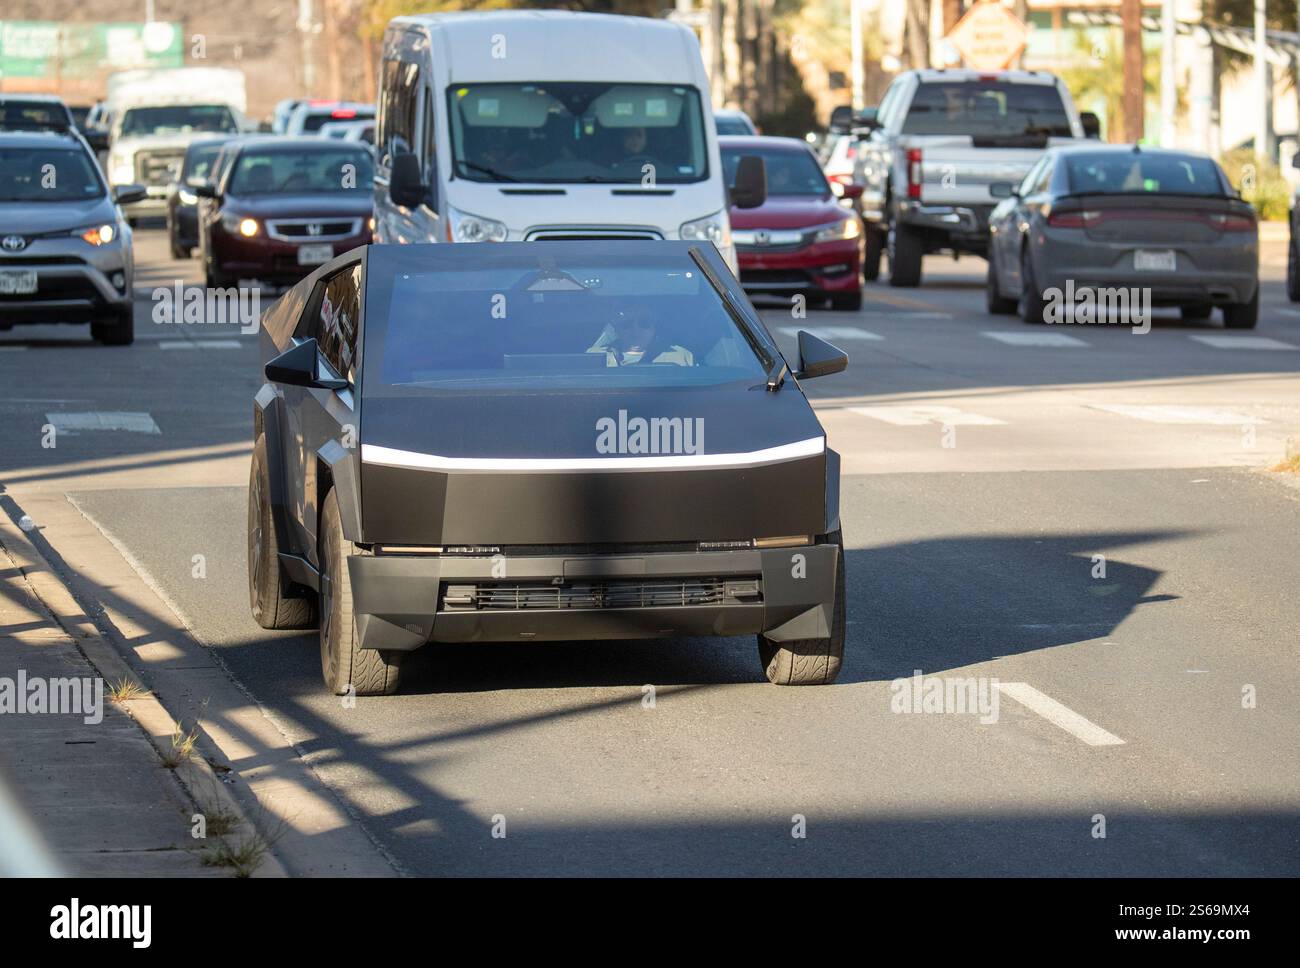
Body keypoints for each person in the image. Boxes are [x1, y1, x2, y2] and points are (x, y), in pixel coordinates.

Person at [588, 305, 693, 367]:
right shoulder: (594, 356)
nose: (635, 331)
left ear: (654, 328)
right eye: (626, 324)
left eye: (644, 323)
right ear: (616, 329)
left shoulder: (680, 356)